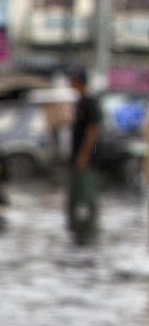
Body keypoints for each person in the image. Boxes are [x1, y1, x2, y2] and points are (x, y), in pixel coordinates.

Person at [67, 68, 102, 242]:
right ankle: (75, 228)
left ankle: (90, 229)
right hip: (78, 157)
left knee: (87, 195)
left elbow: (93, 130)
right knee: (74, 196)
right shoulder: (80, 101)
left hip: (86, 159)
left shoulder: (90, 102)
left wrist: (84, 155)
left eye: (72, 79)